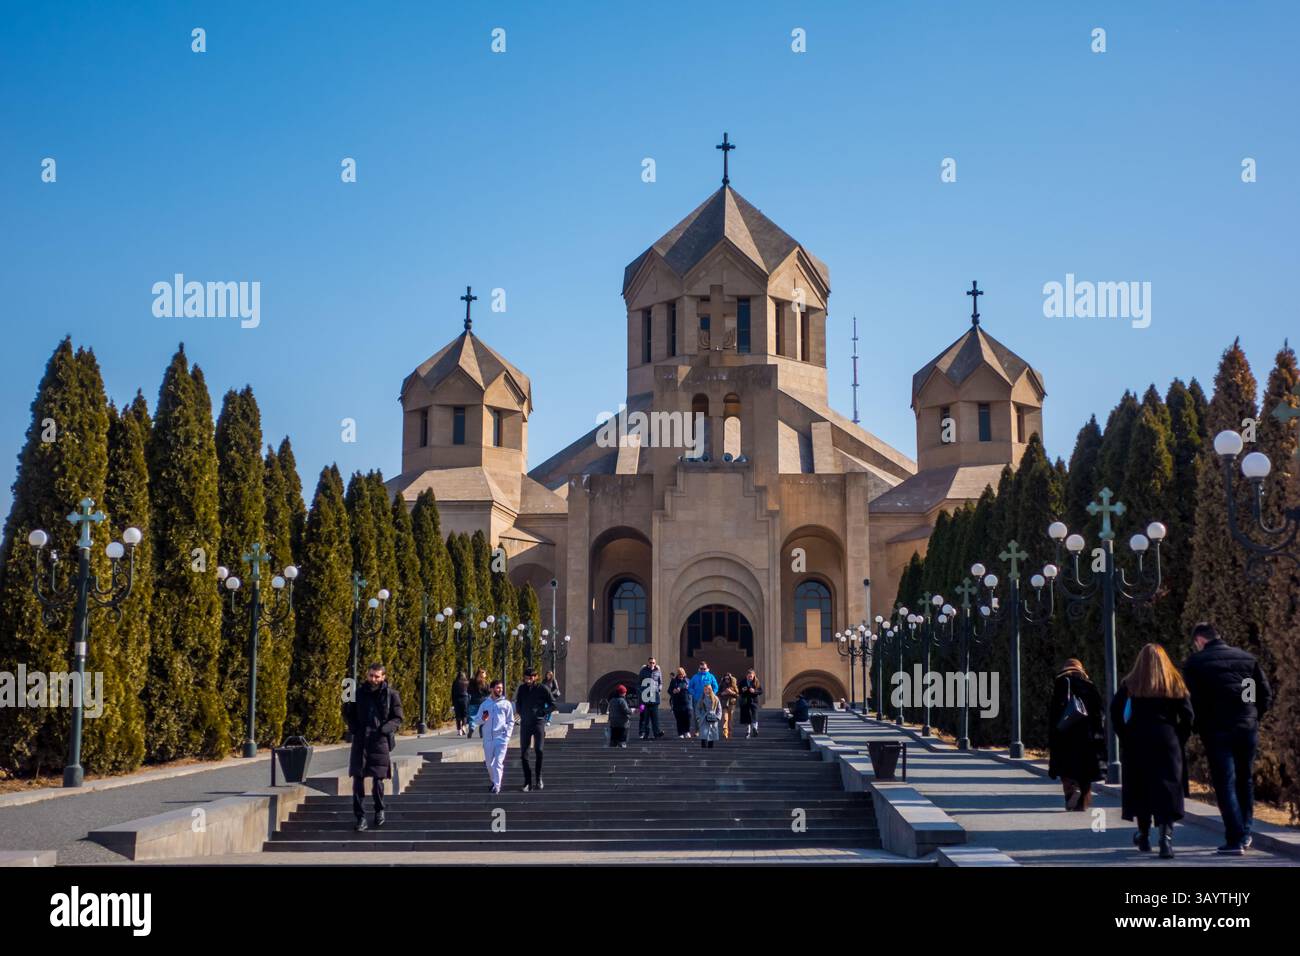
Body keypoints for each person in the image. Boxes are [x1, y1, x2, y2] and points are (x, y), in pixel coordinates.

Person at [1183, 622, 1273, 854]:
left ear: (1200, 641)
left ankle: (1235, 838)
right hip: (1246, 727)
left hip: (1216, 730)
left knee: (1225, 783)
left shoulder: (1196, 664)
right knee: (1245, 779)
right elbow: (1256, 694)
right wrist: (1252, 717)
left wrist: (1196, 726)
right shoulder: (1246, 659)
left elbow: (1192, 702)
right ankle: (1245, 832)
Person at [1111, 643, 1194, 859]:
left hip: (1138, 739)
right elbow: (1188, 716)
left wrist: (1125, 734)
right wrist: (1178, 737)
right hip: (1167, 740)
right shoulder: (1174, 682)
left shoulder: (1131, 683)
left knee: (1141, 787)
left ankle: (1144, 834)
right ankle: (1165, 839)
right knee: (1167, 789)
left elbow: (1115, 711)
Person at [342, 663, 403, 831]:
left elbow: (398, 717)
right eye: (371, 676)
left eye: (377, 676)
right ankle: (360, 817)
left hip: (379, 741)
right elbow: (349, 714)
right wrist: (352, 725)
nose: (373, 679)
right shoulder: (358, 693)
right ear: (367, 675)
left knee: (378, 781)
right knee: (357, 781)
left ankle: (379, 809)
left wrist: (385, 729)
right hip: (361, 741)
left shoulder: (391, 695)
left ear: (383, 677)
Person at [1046, 658, 1105, 810]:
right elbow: (1100, 712)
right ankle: (1083, 799)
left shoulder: (1061, 684)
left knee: (1065, 767)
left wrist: (1053, 733)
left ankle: (1070, 792)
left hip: (1065, 732)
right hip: (1086, 734)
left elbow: (1054, 712)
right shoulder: (1090, 686)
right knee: (1085, 768)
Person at [514, 667, 555, 792]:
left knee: (539, 750)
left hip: (538, 723)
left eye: (532, 677)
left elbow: (553, 704)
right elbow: (518, 702)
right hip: (526, 723)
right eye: (527, 677)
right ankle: (527, 781)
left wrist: (542, 712)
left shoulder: (543, 688)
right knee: (524, 754)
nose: (529, 679)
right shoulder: (522, 688)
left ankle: (538, 778)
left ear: (536, 677)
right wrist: (521, 712)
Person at [477, 678, 515, 793]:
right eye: (498, 688)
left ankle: (497, 787)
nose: (500, 690)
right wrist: (482, 719)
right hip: (488, 738)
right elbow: (477, 720)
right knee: (489, 764)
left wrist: (507, 736)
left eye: (501, 688)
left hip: (501, 738)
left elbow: (511, 721)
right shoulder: (485, 704)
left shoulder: (506, 704)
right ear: (491, 689)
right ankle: (494, 782)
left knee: (498, 763)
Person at [687, 661, 719, 735]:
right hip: (697, 699)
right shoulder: (695, 677)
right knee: (697, 715)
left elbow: (715, 687)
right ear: (699, 669)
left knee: (708, 714)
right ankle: (698, 730)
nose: (703, 670)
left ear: (707, 668)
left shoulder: (711, 676)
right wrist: (694, 694)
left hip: (708, 700)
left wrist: (712, 695)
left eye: (704, 668)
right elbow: (690, 687)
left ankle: (708, 730)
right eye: (701, 669)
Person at [637, 656, 664, 740]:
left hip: (654, 698)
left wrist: (659, 689)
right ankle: (644, 733)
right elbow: (638, 683)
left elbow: (660, 683)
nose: (652, 664)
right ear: (648, 663)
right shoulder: (643, 671)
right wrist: (642, 691)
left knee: (655, 717)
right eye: (650, 662)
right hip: (644, 700)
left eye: (653, 663)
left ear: (655, 663)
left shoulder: (658, 671)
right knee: (644, 717)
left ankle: (656, 733)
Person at [695, 683, 722, 749]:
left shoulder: (715, 698)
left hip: (713, 718)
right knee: (703, 733)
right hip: (703, 718)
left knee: (712, 734)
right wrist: (698, 717)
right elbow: (697, 708)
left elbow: (719, 709)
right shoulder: (701, 698)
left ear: (711, 690)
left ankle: (710, 748)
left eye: (708, 689)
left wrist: (718, 717)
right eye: (705, 689)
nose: (706, 691)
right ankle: (703, 747)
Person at [669, 667, 693, 738]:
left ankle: (687, 731)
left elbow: (692, 690)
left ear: (684, 674)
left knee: (688, 717)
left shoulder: (688, 681)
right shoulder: (674, 681)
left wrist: (688, 688)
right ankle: (680, 733)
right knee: (679, 719)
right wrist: (673, 691)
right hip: (677, 703)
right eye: (679, 674)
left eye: (682, 674)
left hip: (687, 703)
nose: (681, 676)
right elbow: (669, 690)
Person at [738, 668, 762, 738]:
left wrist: (754, 691)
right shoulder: (742, 682)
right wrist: (743, 690)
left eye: (751, 676)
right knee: (747, 716)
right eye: (749, 676)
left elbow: (760, 691)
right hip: (745, 701)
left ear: (754, 675)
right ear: (746, 676)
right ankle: (748, 731)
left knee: (754, 715)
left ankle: (755, 728)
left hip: (753, 700)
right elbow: (739, 691)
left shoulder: (756, 682)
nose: (750, 678)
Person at [466, 667, 489, 738]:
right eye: (485, 674)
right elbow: (488, 692)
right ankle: (482, 732)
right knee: (483, 717)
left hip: (473, 701)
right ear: (483, 674)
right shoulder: (484, 683)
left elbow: (468, 691)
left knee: (472, 717)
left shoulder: (472, 682)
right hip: (483, 702)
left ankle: (472, 728)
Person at [718, 674, 738, 739]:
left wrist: (731, 692)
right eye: (725, 679)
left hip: (731, 703)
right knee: (725, 718)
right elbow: (718, 693)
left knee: (731, 718)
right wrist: (723, 693)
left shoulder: (733, 685)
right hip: (724, 703)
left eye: (728, 679)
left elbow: (737, 694)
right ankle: (725, 732)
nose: (727, 680)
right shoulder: (722, 685)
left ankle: (730, 732)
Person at [451, 671, 470, 737]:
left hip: (457, 699)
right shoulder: (467, 682)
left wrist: (453, 703)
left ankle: (459, 731)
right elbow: (469, 692)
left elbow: (452, 693)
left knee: (458, 716)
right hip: (465, 699)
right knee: (464, 715)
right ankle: (464, 726)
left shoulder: (455, 682)